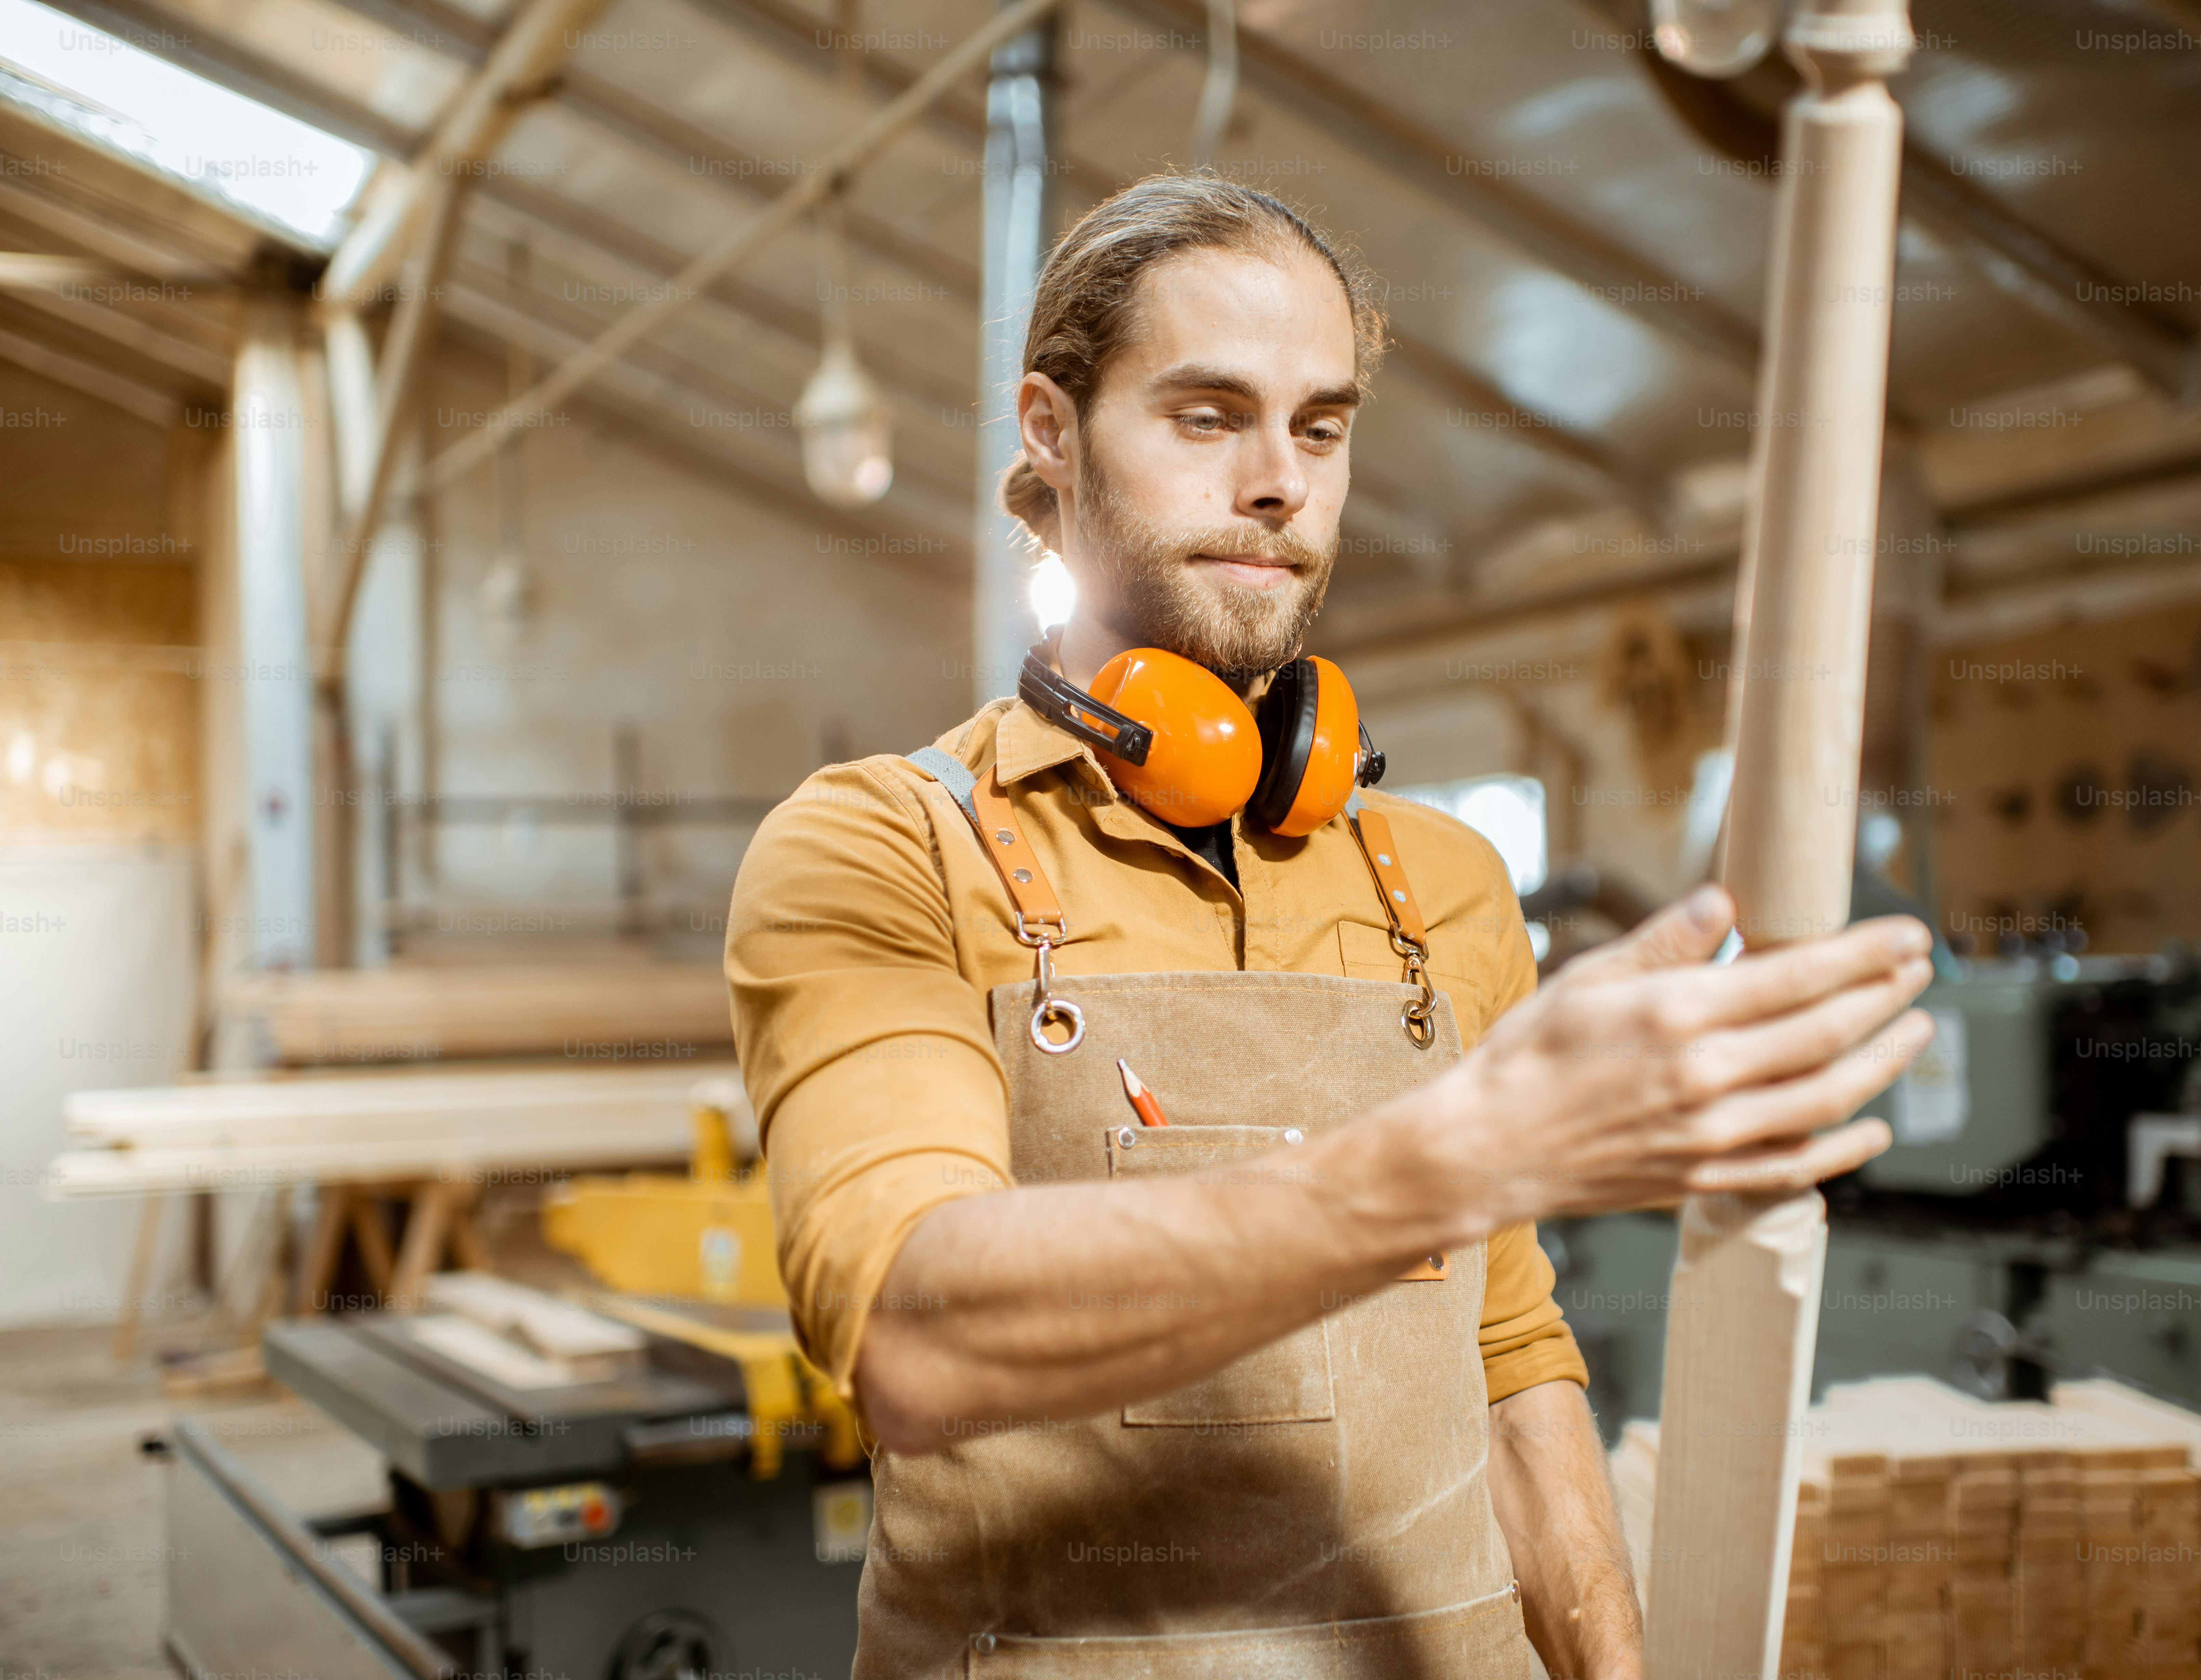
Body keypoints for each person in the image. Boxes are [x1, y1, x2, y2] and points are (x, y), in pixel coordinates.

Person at [726, 174, 1934, 1680]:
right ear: (1050, 428)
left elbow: (1504, 1354)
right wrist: (1462, 1150)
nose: (1280, 483)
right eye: (1205, 414)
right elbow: (917, 1337)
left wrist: (1612, 1665)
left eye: (1320, 424)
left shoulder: (1442, 882)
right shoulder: (884, 845)